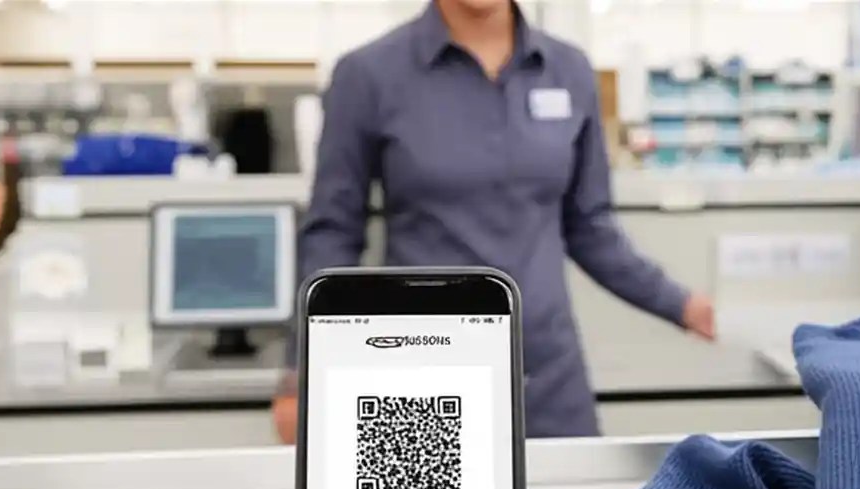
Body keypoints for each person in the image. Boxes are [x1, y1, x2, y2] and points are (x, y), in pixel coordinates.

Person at [272, 0, 714, 442]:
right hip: (420, 375)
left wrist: (681, 304)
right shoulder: (368, 75)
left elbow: (591, 228)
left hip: (547, 380)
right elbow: (332, 233)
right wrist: (302, 369)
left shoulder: (568, 70)